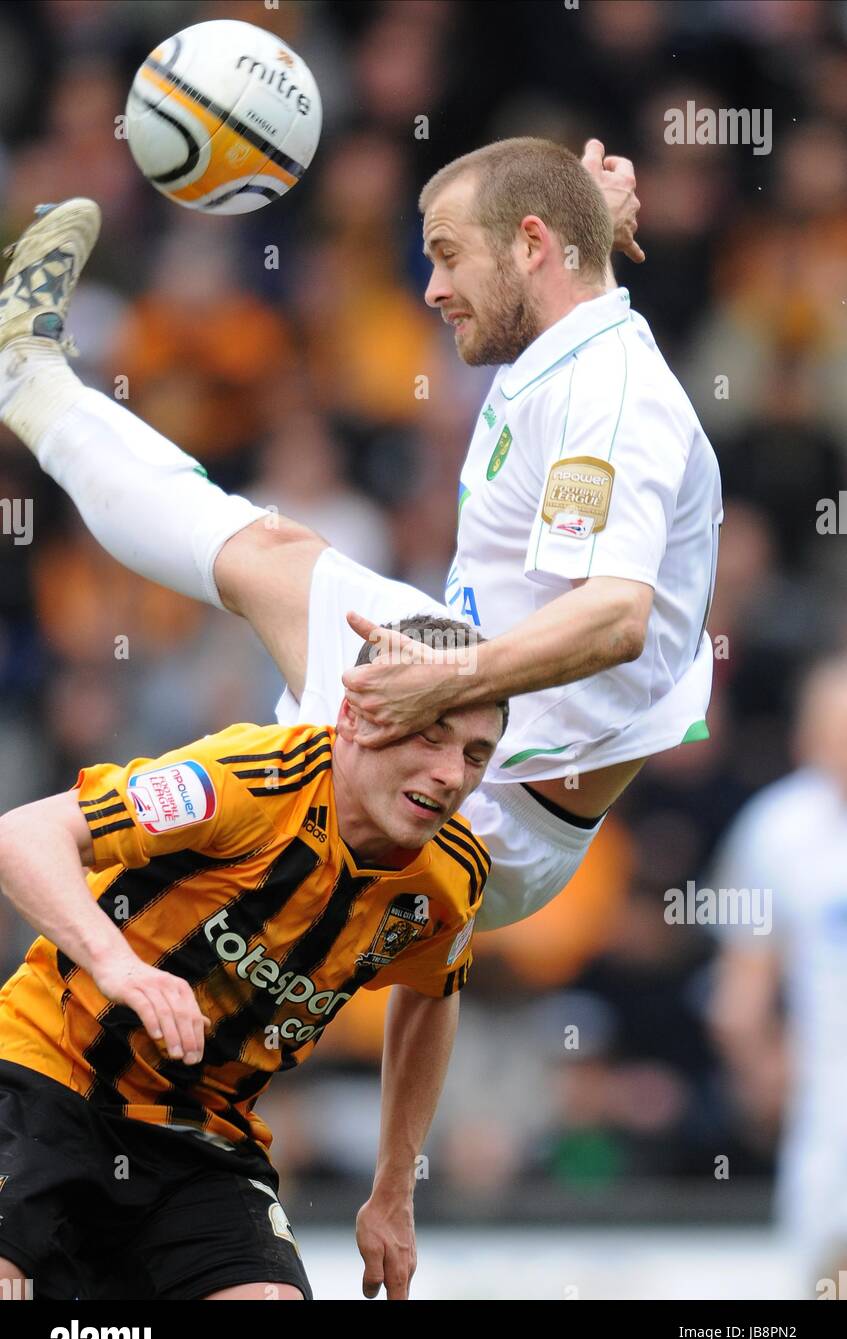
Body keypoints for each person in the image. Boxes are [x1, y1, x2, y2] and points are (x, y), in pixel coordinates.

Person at [0, 136, 722, 933]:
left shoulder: (610, 394)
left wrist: (451, 677)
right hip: (478, 768)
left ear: (529, 245)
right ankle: (32, 382)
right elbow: (563, 274)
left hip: (484, 806)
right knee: (271, 560)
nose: (434, 290)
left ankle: (28, 380)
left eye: (448, 256)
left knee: (258, 588)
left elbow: (616, 616)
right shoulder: (579, 355)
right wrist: (579, 216)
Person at [0, 616, 505, 1302]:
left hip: (199, 1138)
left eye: (475, 755)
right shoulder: (249, 781)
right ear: (355, 715)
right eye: (429, 734)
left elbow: (430, 995)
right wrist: (116, 965)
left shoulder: (451, 877)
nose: (450, 775)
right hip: (45, 1076)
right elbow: (24, 835)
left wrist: (394, 1187)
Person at [707, 654, 847, 1298]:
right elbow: (740, 998)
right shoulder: (780, 829)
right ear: (806, 739)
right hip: (828, 1129)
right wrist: (763, 1069)